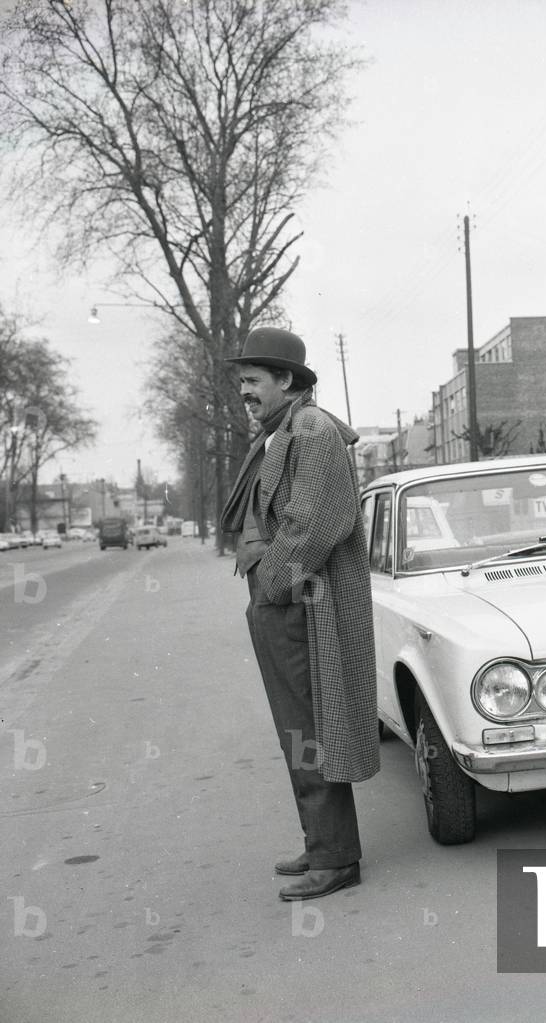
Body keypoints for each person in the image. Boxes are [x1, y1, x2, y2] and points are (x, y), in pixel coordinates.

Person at [220, 326, 379, 902]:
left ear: (286, 380)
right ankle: (322, 843)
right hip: (286, 602)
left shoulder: (309, 432)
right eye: (241, 382)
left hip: (299, 604)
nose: (245, 391)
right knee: (299, 730)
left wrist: (272, 587)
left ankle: (336, 859)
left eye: (254, 380)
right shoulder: (285, 430)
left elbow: (315, 525)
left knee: (310, 729)